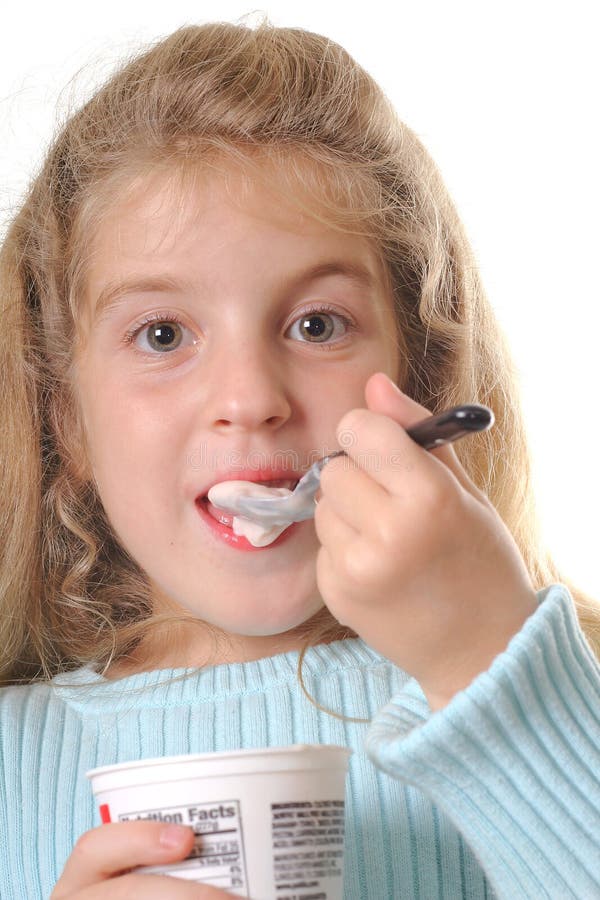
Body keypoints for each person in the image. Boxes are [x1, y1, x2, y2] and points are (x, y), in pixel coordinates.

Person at [0, 19, 599, 900]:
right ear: (71, 422)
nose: (250, 397)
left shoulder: (550, 691)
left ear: (418, 379)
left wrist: (485, 654)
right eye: (163, 335)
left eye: (316, 325)